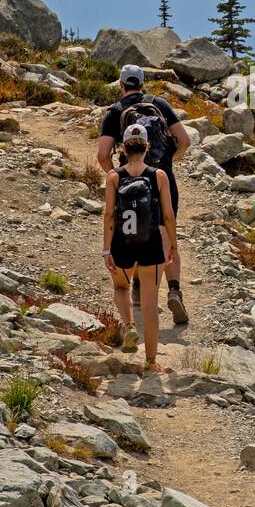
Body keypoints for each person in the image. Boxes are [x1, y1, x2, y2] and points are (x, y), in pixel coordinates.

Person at [97, 63, 191, 324]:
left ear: (121, 85)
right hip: (163, 178)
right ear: (142, 83)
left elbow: (103, 155)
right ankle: (174, 290)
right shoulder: (158, 103)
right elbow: (185, 140)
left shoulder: (115, 112)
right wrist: (171, 160)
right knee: (165, 233)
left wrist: (116, 175)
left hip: (129, 184)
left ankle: (138, 288)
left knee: (133, 232)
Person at [102, 124, 178, 373]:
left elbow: (110, 216)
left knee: (121, 287)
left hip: (123, 243)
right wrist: (173, 246)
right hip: (150, 243)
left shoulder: (114, 176)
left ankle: (129, 327)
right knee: (149, 303)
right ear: (147, 146)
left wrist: (106, 249)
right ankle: (151, 362)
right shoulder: (158, 176)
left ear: (123, 148)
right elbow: (167, 215)